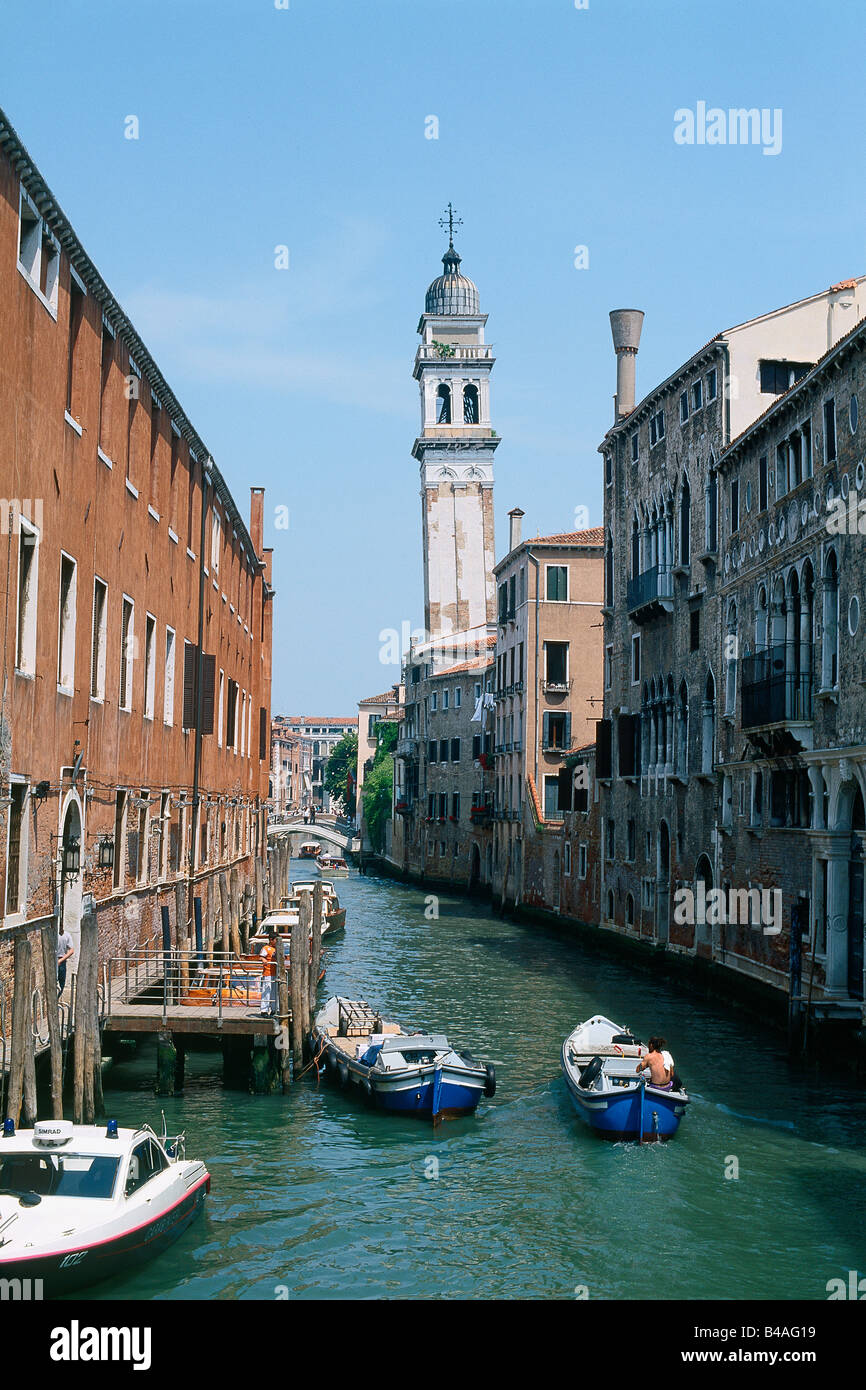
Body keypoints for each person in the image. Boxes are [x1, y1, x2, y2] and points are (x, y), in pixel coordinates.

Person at [259, 933, 277, 1016]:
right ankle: (264, 1010)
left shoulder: (277, 948)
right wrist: (263, 960)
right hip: (268, 973)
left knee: (274, 992)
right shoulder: (266, 948)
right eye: (276, 940)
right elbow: (261, 957)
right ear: (271, 940)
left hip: (276, 973)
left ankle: (274, 1009)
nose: (277, 942)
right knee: (267, 991)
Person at [57, 926, 74, 997]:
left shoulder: (66, 935)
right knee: (61, 983)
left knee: (61, 983)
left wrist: (60, 960)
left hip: (60, 960)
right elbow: (71, 950)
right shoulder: (66, 934)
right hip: (60, 961)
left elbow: (71, 951)